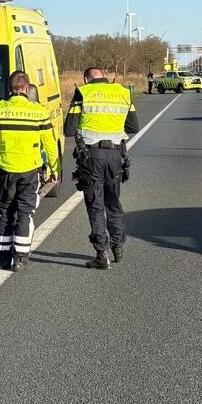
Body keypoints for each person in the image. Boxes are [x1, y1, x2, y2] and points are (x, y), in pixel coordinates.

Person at [0, 71, 60, 272]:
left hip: (4, 171)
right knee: (25, 214)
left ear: (9, 89)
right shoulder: (39, 112)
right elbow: (49, 143)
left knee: (4, 213)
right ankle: (21, 259)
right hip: (29, 171)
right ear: (27, 88)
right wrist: (54, 168)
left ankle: (4, 259)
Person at [65, 66, 140, 269]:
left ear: (86, 78)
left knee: (95, 205)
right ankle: (118, 247)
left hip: (91, 156)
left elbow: (69, 129)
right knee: (113, 203)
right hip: (116, 155)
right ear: (104, 77)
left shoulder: (83, 93)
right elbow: (134, 127)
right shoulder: (123, 93)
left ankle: (101, 254)